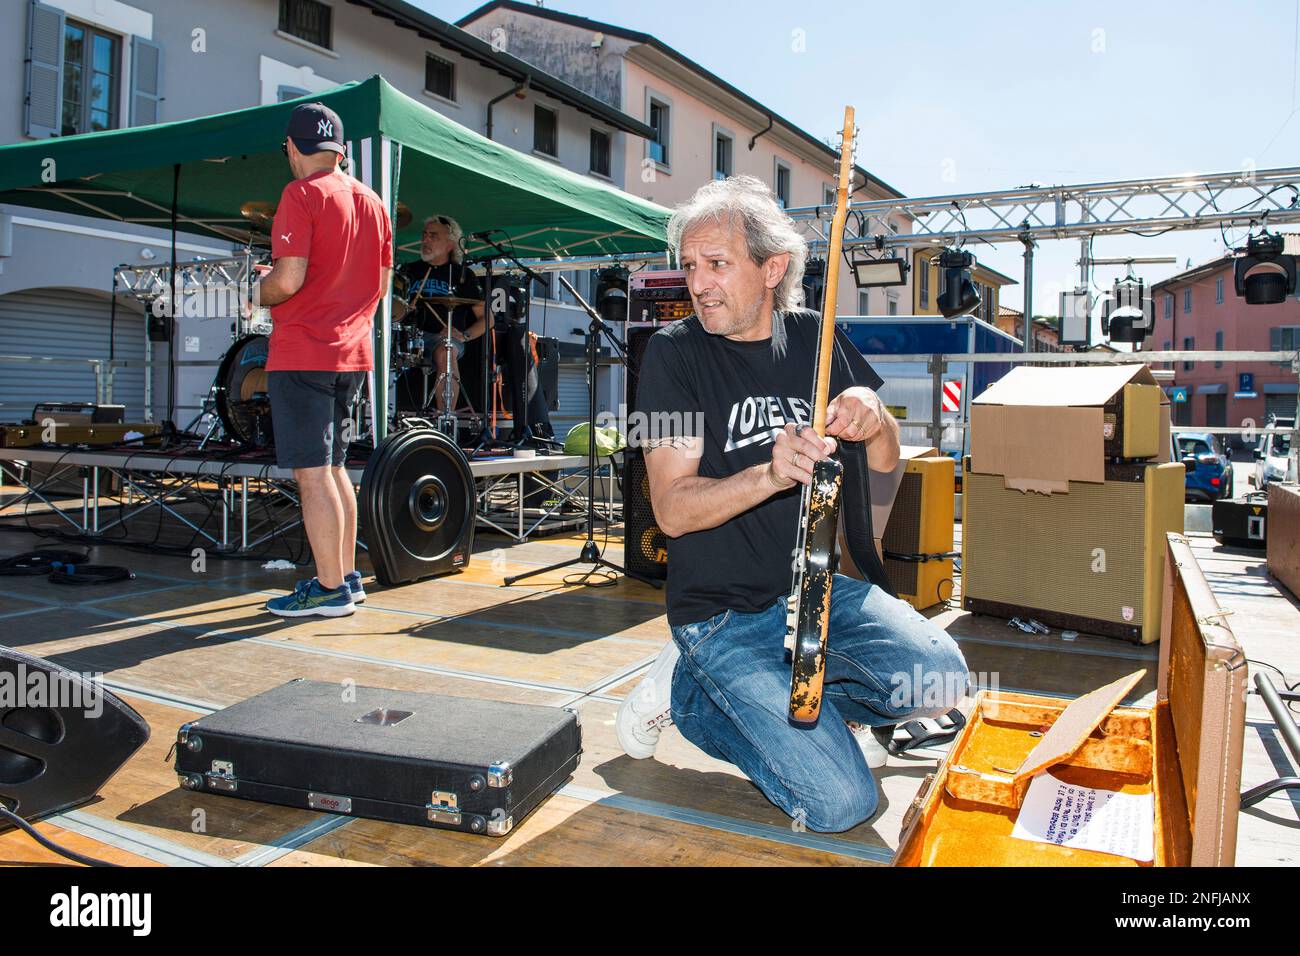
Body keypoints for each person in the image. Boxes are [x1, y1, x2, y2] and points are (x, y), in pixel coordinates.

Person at [615, 175, 968, 832]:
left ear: (772, 268)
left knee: (941, 679)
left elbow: (885, 472)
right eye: (690, 266)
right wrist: (770, 472)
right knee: (842, 805)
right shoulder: (672, 354)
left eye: (717, 264)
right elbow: (671, 510)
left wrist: (877, 420)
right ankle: (694, 695)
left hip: (817, 594)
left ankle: (793, 710)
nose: (698, 283)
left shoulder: (814, 336)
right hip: (720, 619)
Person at [255, 102, 392, 618]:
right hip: (352, 354)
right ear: (338, 148)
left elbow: (286, 282)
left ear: (292, 147)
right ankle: (349, 579)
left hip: (303, 352)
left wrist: (255, 290)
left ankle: (330, 589)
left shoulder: (300, 194)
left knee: (313, 475)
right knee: (335, 470)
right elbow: (380, 288)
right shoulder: (373, 201)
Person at [396, 216, 486, 412]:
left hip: (442, 338)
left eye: (433, 236)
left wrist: (465, 335)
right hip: (406, 337)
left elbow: (488, 318)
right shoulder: (408, 270)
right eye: (425, 235)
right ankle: (370, 418)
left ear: (450, 244)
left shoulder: (462, 275)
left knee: (447, 350)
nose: (426, 240)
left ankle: (445, 418)